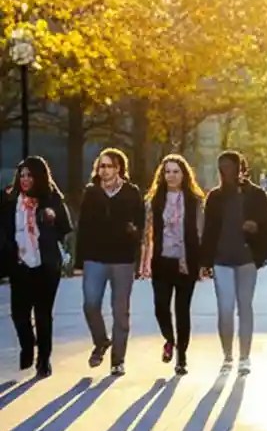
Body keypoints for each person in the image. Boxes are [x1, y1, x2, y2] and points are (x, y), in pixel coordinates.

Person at [199, 151, 267, 376]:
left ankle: (244, 357)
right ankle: (227, 356)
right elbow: (208, 231)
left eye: (230, 167)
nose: (226, 171)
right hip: (221, 259)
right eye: (222, 167)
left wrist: (256, 228)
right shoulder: (215, 197)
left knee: (245, 307)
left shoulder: (255, 195)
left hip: (246, 259)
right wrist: (205, 261)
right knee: (225, 309)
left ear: (240, 168)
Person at [0, 156, 72, 379]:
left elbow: (65, 228)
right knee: (19, 314)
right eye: (22, 175)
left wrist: (51, 218)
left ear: (39, 177)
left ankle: (44, 360)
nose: (25, 179)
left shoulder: (51, 199)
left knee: (43, 314)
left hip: (45, 265)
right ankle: (28, 345)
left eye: (30, 175)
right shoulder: (9, 199)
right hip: (19, 264)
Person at [77, 148, 146, 376]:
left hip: (122, 259)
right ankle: (101, 341)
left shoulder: (131, 193)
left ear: (118, 168)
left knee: (120, 312)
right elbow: (83, 227)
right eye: (101, 166)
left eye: (108, 166)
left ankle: (118, 359)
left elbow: (141, 225)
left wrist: (134, 234)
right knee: (90, 304)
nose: (104, 170)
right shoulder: (91, 192)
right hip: (95, 257)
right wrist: (79, 260)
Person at [140, 154, 204, 376]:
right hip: (162, 261)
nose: (171, 175)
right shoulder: (155, 200)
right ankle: (169, 339)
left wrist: (203, 263)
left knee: (182, 310)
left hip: (186, 262)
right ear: (162, 174)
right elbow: (147, 233)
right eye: (167, 171)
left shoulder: (194, 200)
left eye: (176, 171)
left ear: (184, 174)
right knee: (160, 307)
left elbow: (200, 231)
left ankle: (182, 358)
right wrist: (144, 261)